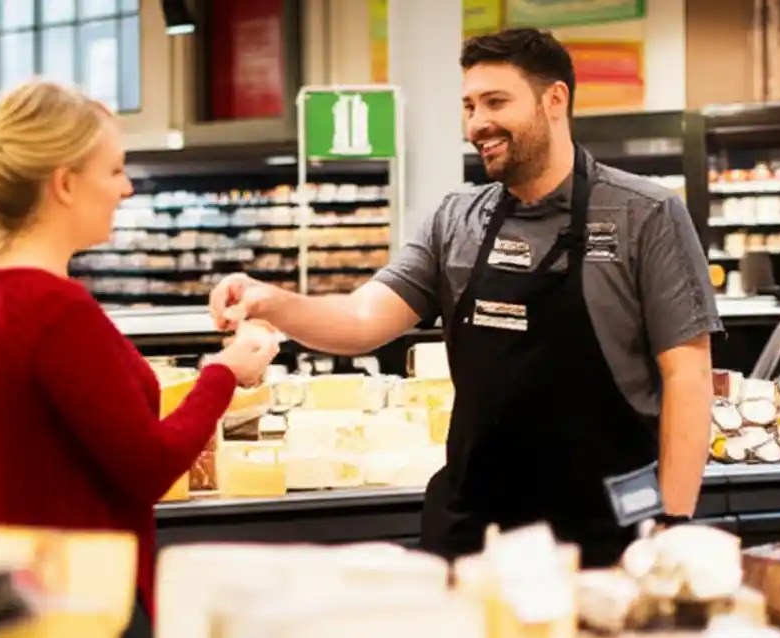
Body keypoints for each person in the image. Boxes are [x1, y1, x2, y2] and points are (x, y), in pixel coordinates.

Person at [210, 28, 719, 568]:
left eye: (496, 102)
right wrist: (271, 301)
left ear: (555, 100)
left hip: (604, 530)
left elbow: (687, 377)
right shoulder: (457, 220)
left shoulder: (646, 214)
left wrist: (673, 524)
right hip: (477, 525)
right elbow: (361, 319)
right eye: (469, 105)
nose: (478, 123)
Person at [0, 80, 278, 638]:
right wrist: (224, 373)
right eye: (115, 169)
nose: (127, 187)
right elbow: (146, 466)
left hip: (28, 595)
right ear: (65, 182)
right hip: (89, 604)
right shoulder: (57, 309)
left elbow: (85, 433)